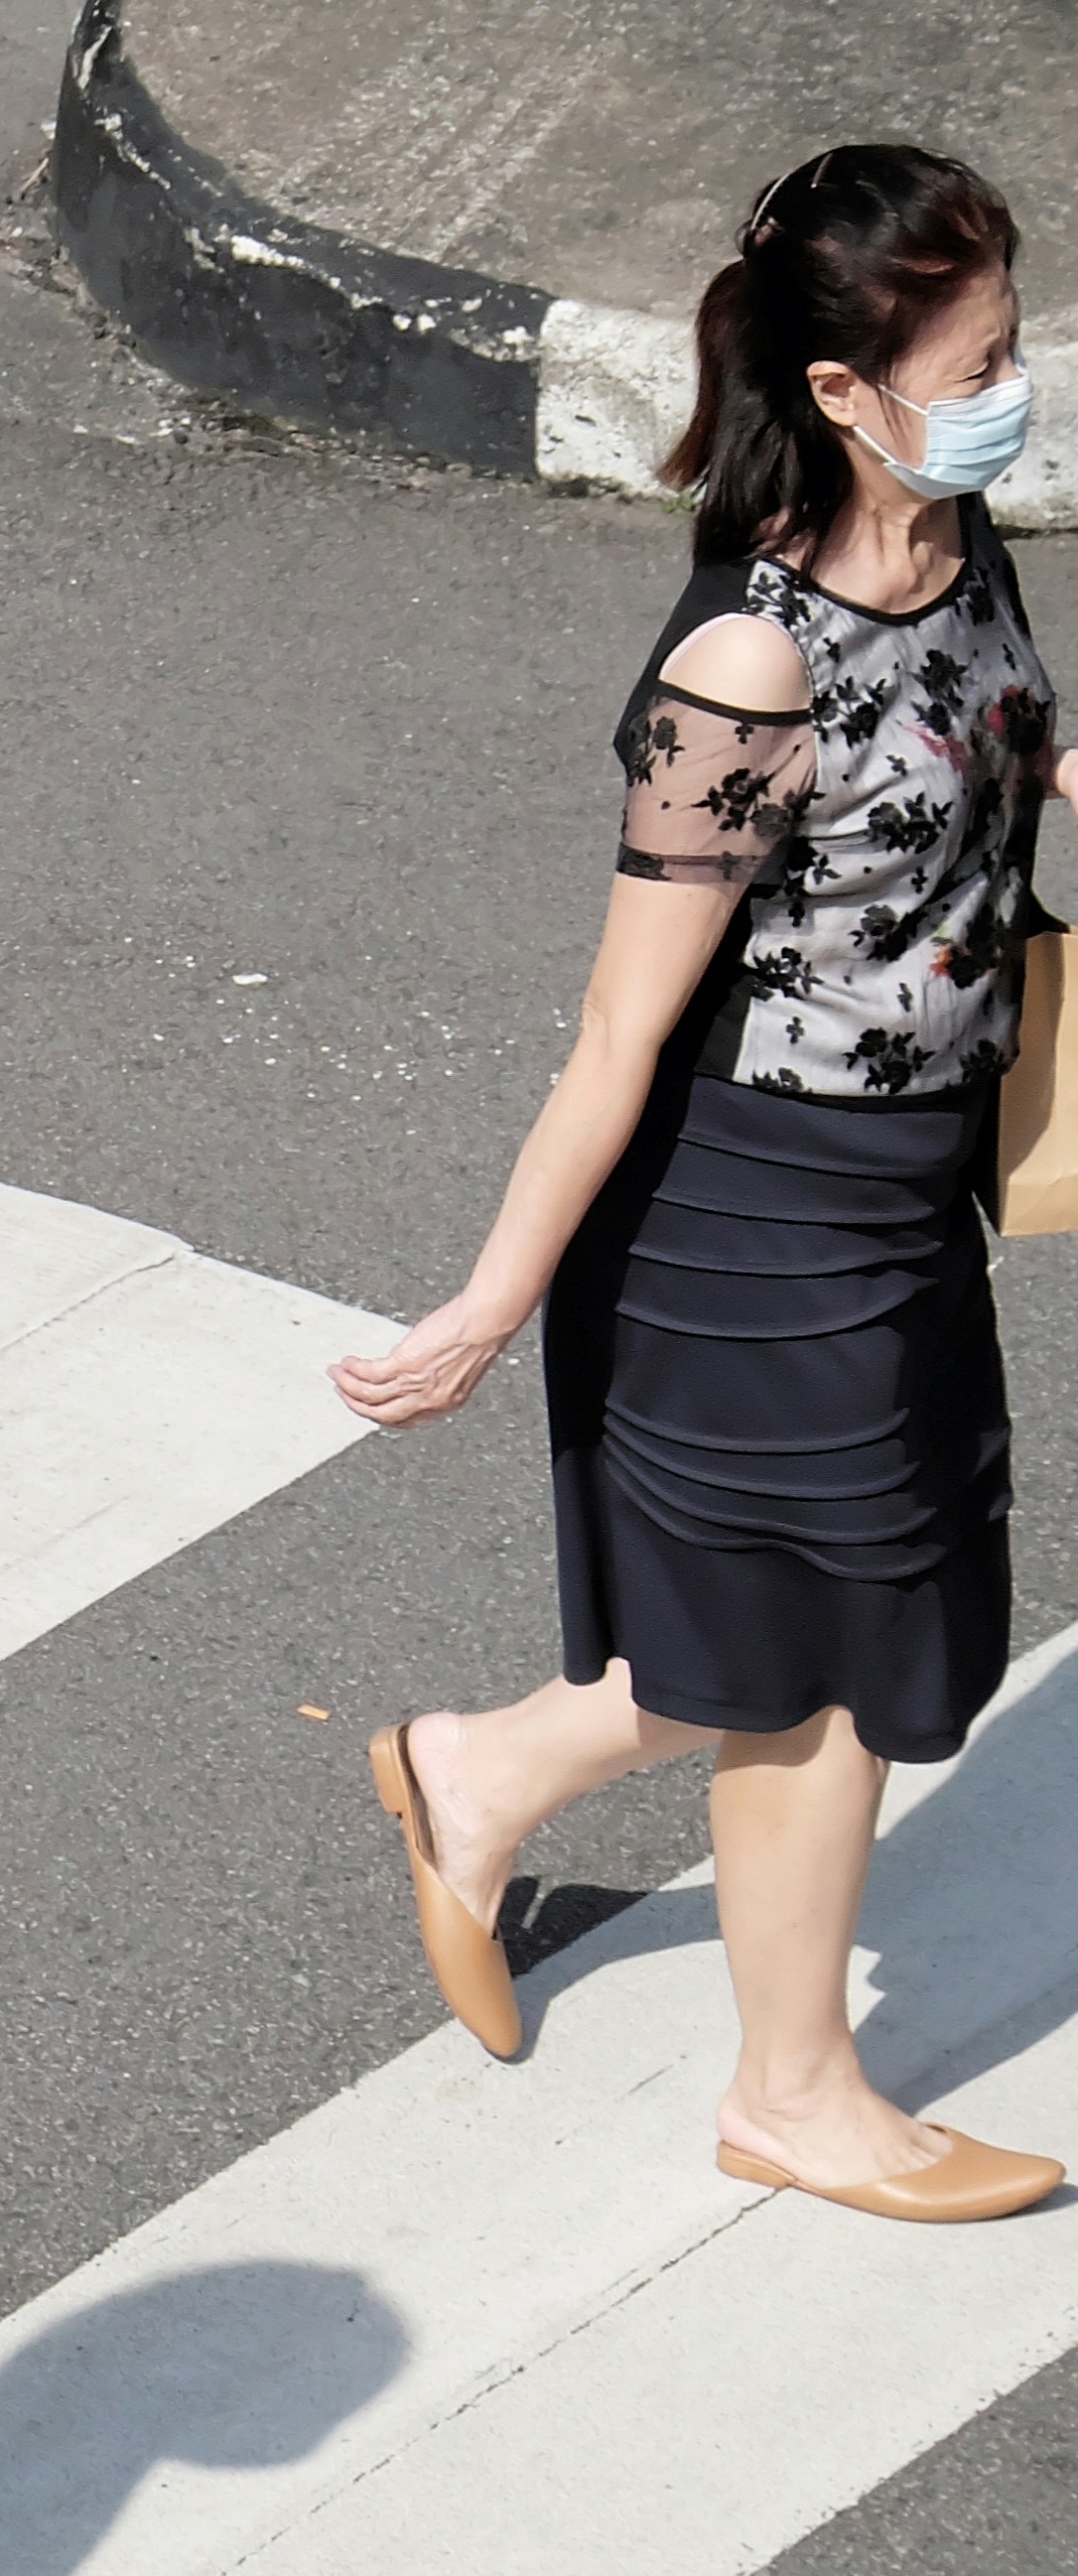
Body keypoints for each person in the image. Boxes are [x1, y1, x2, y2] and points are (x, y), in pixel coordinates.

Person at [339, 145, 1069, 2224]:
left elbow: (994, 744)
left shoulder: (952, 534)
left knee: (805, 1625)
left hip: (915, 1189)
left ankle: (475, 1775)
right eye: (987, 354)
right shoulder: (747, 666)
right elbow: (616, 1027)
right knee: (837, 1650)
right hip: (751, 1218)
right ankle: (795, 2091)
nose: (1017, 380)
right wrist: (488, 1307)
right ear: (849, 387)